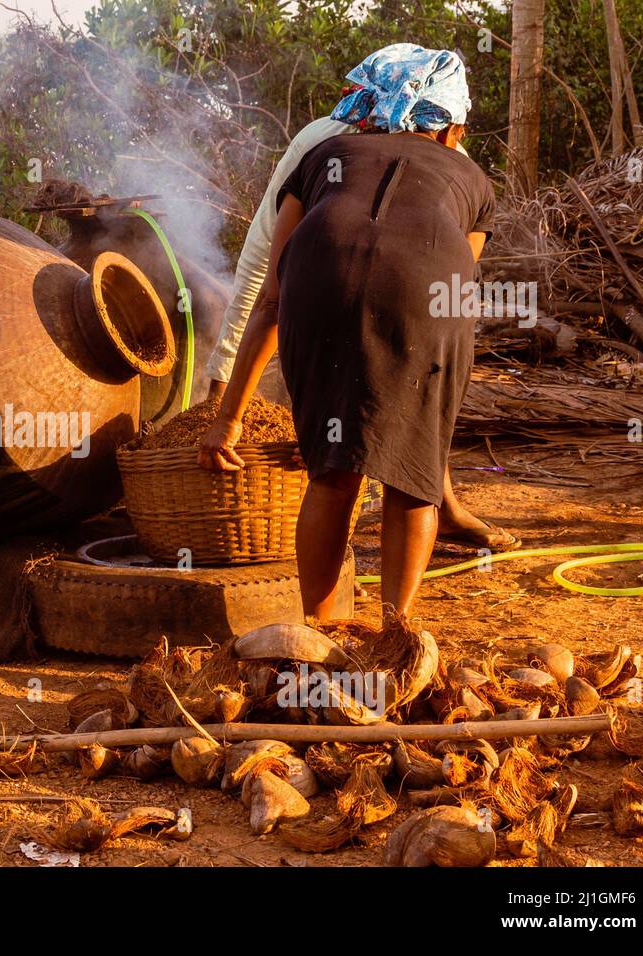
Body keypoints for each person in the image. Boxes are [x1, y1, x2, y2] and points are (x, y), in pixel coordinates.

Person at [197, 44, 497, 619]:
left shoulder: (326, 153)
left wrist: (227, 418)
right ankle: (394, 633)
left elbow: (271, 300)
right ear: (448, 126)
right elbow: (455, 280)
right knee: (412, 482)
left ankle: (318, 635)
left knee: (333, 473)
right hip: (428, 286)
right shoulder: (469, 177)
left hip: (319, 276)